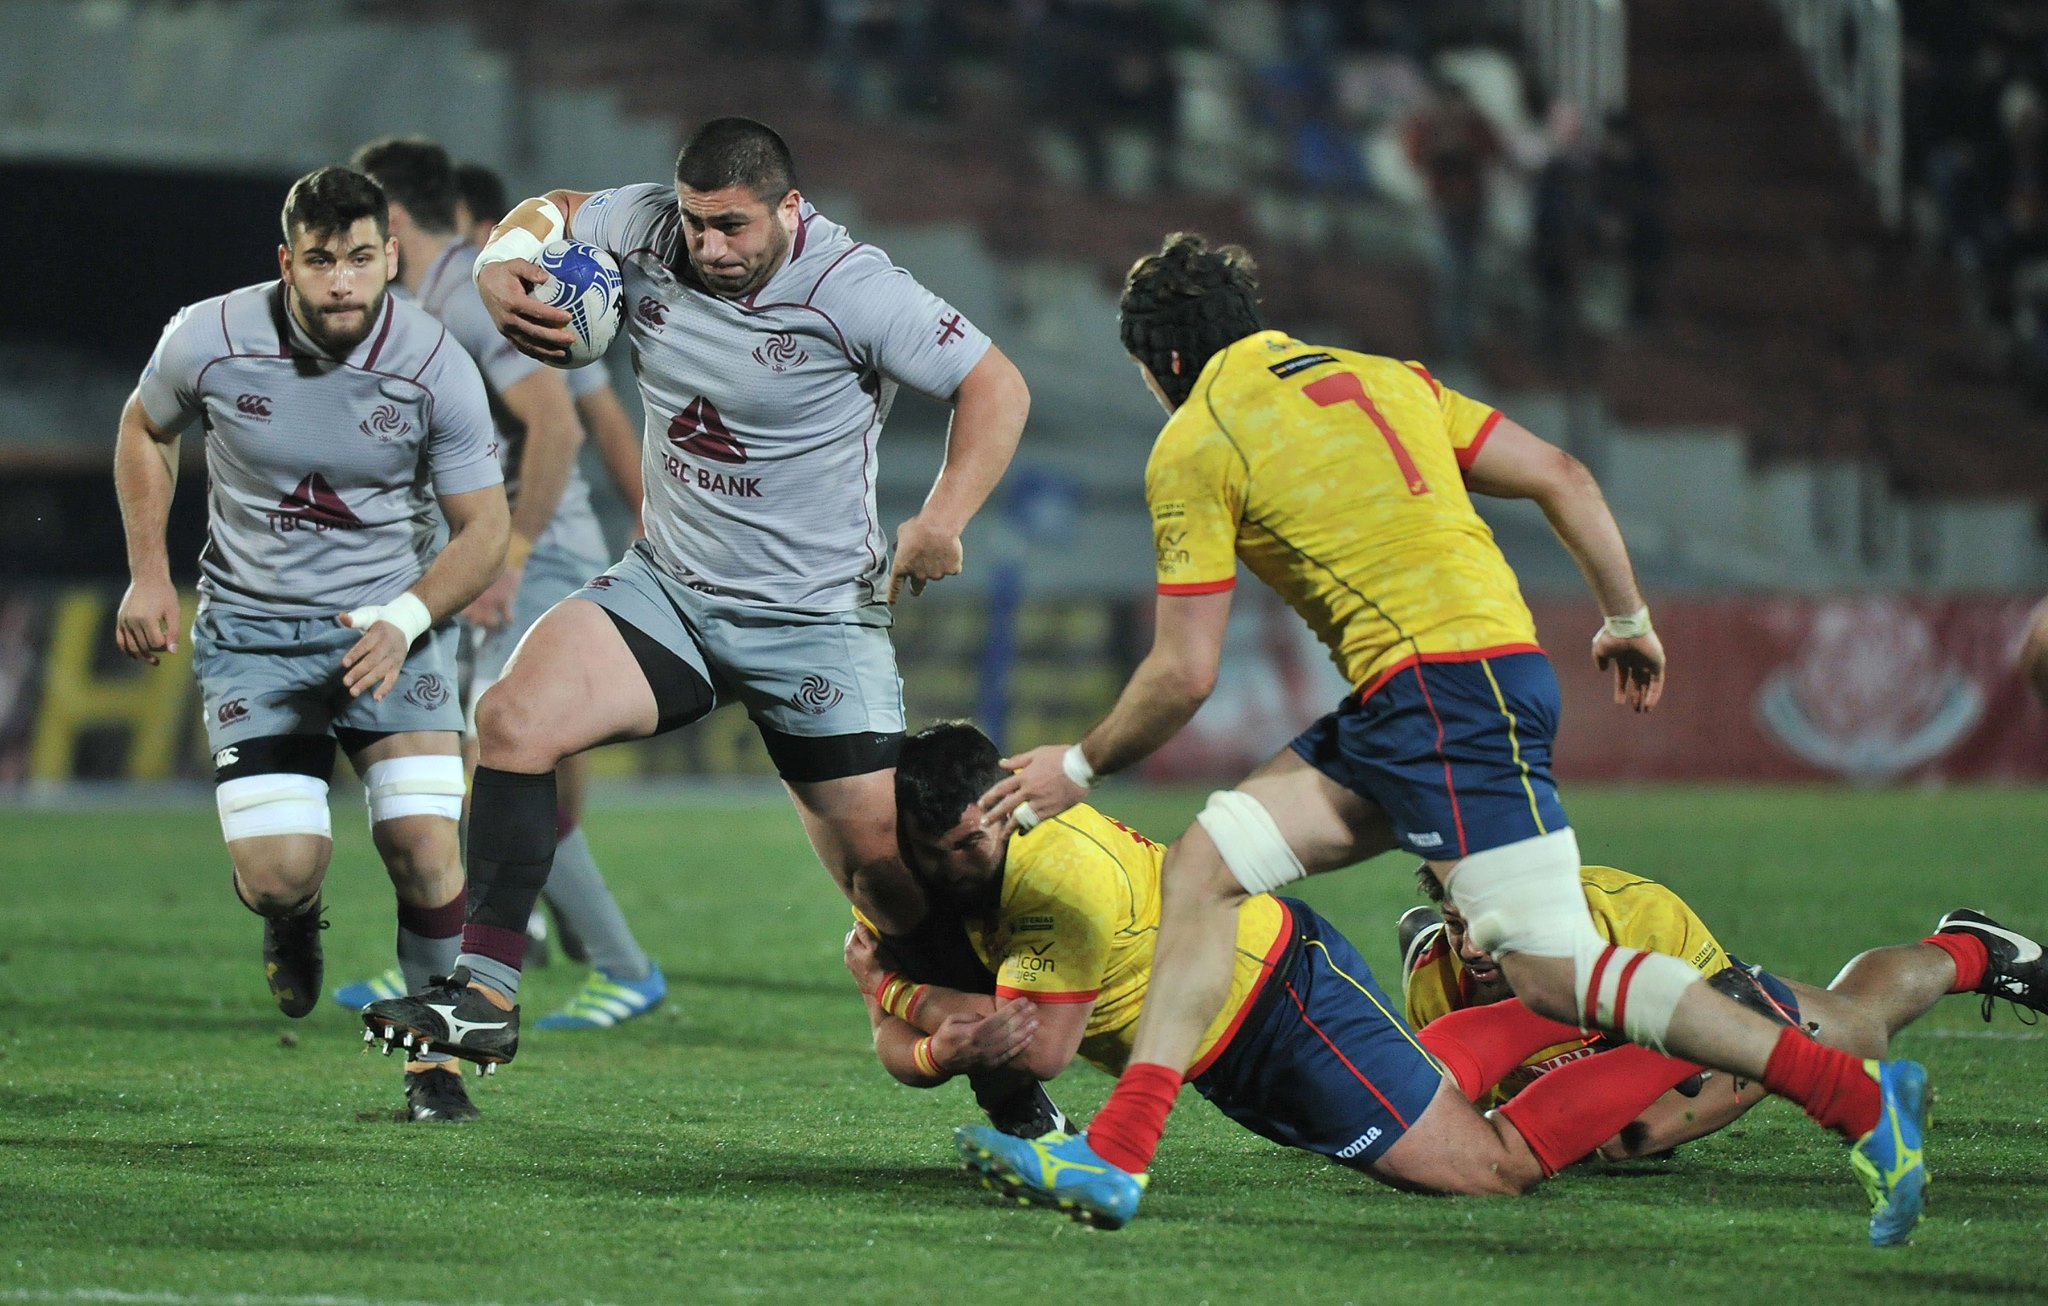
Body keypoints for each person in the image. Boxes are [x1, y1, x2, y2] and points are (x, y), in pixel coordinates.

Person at [964, 233, 1928, 1245]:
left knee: (1553, 976)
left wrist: (1076, 766)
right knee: (1203, 867)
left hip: (1441, 695)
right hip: (1434, 693)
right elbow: (1561, 473)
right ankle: (1115, 1156)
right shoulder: (1387, 379)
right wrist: (1625, 618)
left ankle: (1858, 1100)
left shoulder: (1198, 435)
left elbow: (1182, 671)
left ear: (1161, 363)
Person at [360, 117, 1049, 1132]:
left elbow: (995, 383)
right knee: (510, 719)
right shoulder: (645, 225)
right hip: (671, 590)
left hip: (811, 620)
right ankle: (487, 996)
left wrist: (941, 518)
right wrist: (508, 257)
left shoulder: (853, 285)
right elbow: (549, 208)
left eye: (731, 227)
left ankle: (1015, 1099)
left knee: (882, 877)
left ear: (786, 211)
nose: (709, 247)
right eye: (694, 225)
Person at [113, 166, 510, 1122]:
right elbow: (144, 426)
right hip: (253, 633)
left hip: (392, 632)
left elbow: (483, 530)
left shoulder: (433, 362)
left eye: (363, 259)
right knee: (280, 870)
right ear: (288, 261)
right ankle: (291, 922)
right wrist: (150, 571)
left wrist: (406, 619)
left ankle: (435, 1064)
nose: (343, 281)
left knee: (422, 846)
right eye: (322, 260)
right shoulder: (205, 338)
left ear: (392, 258)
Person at [857, 722, 1563, 1206]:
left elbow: (1033, 1050)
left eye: (973, 841)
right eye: (937, 849)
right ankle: (1530, 1025)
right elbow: (892, 1041)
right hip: (1214, 1050)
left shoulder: (1056, 873)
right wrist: (928, 1050)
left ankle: (1654, 1059)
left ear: (1007, 808)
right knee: (1440, 1108)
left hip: (1281, 1004)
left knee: (1487, 1170)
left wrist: (895, 989)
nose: (957, 865)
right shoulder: (899, 885)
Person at [334, 140, 666, 1034]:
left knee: (502, 771)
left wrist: (512, 555)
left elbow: (555, 426)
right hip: (499, 564)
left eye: (365, 231)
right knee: (475, 775)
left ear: (394, 221)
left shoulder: (471, 296)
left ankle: (622, 967)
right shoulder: (436, 298)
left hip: (532, 562)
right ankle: (449, 967)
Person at [1400, 867, 2046, 1165]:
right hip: (1600, 1036)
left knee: (1859, 1030)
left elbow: (1725, 1018)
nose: (1473, 950)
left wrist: (1772, 1053)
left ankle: (1969, 951)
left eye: (1490, 928)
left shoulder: (1632, 916)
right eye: (1457, 926)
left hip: (1706, 1014)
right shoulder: (1438, 975)